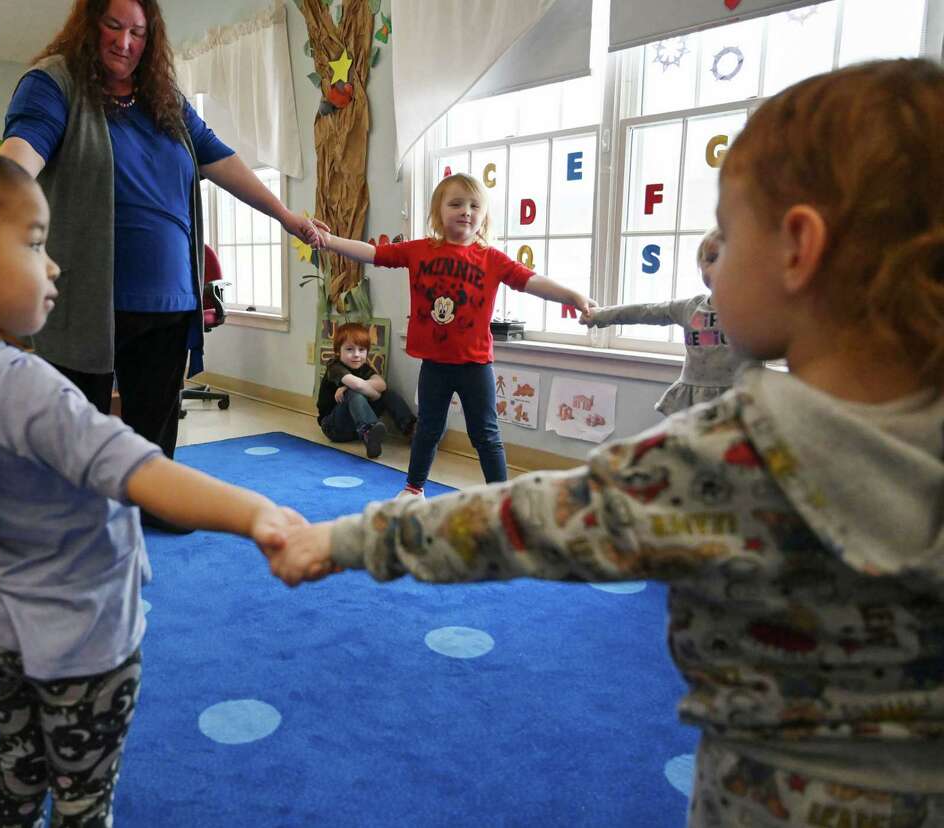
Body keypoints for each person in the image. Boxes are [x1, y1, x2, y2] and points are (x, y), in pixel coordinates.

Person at [275, 59, 944, 827]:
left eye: (725, 237)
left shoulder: (727, 456)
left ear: (798, 247)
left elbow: (518, 523)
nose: (712, 261)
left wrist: (348, 539)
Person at [0, 146, 304, 826]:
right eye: (33, 244)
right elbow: (142, 469)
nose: (53, 267)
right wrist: (257, 512)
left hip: (0, 624)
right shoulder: (23, 388)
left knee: (20, 762)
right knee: (83, 791)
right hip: (79, 634)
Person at [0, 0, 318, 533]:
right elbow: (21, 153)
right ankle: (75, 518)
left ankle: (156, 497)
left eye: (139, 32)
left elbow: (221, 159)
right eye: (113, 26)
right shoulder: (54, 83)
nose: (125, 42)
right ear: (89, 23)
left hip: (169, 299)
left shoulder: (163, 99)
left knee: (154, 422)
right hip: (87, 299)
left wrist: (285, 215)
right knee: (79, 427)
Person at [313, 173, 593, 498]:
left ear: (484, 215)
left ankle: (501, 498)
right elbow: (374, 253)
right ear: (438, 212)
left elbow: (531, 281)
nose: (466, 211)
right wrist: (328, 241)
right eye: (456, 204)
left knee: (485, 434)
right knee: (428, 430)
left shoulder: (491, 259)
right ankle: (414, 488)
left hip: (475, 366)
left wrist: (573, 296)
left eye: (475, 205)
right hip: (435, 366)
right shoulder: (420, 251)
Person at [580, 228, 748, 414]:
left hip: (740, 398)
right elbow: (646, 311)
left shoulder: (757, 311)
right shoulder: (690, 308)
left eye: (729, 259)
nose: (719, 267)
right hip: (695, 399)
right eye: (711, 259)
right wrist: (598, 315)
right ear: (700, 266)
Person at [317, 322, 416, 459]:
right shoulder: (334, 367)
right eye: (350, 349)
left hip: (355, 426)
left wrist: (347, 386)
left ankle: (411, 429)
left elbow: (382, 385)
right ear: (338, 351)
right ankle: (369, 432)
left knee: (388, 394)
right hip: (334, 427)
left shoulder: (364, 368)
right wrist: (370, 392)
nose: (356, 355)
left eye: (362, 350)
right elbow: (357, 386)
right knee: (352, 392)